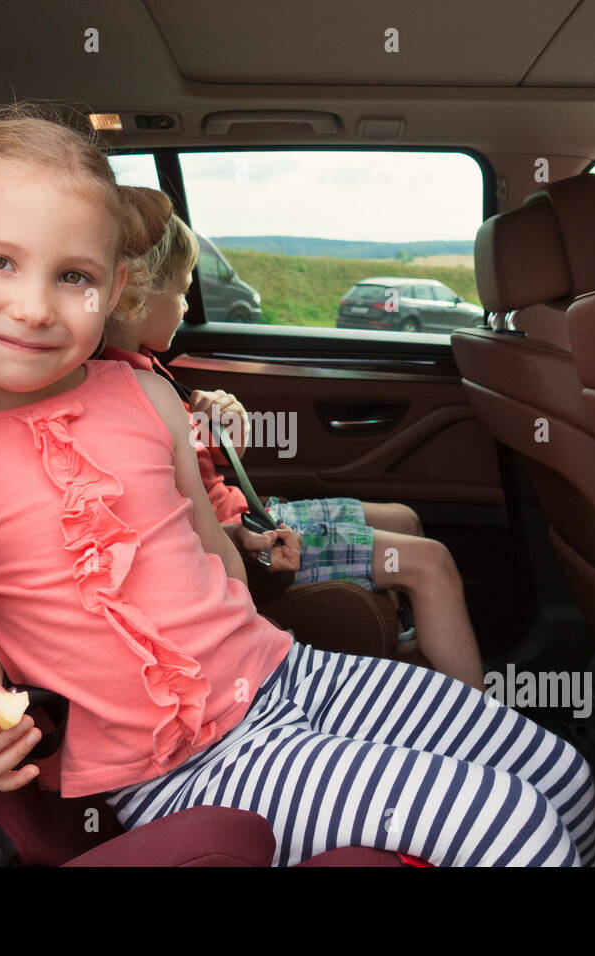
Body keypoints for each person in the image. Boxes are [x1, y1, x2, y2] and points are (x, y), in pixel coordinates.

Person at [0, 103, 595, 866]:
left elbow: (210, 550)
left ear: (116, 285)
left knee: (563, 773)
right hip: (181, 766)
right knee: (516, 825)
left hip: (289, 675)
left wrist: (261, 562)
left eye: (73, 277)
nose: (33, 307)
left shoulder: (146, 396)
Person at [102, 189, 485, 687]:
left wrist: (223, 425)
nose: (186, 303)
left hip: (249, 511)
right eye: (181, 291)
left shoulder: (151, 369)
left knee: (406, 519)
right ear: (138, 295)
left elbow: (206, 463)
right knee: (432, 562)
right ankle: (479, 710)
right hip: (244, 542)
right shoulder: (127, 391)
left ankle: (423, 646)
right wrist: (246, 538)